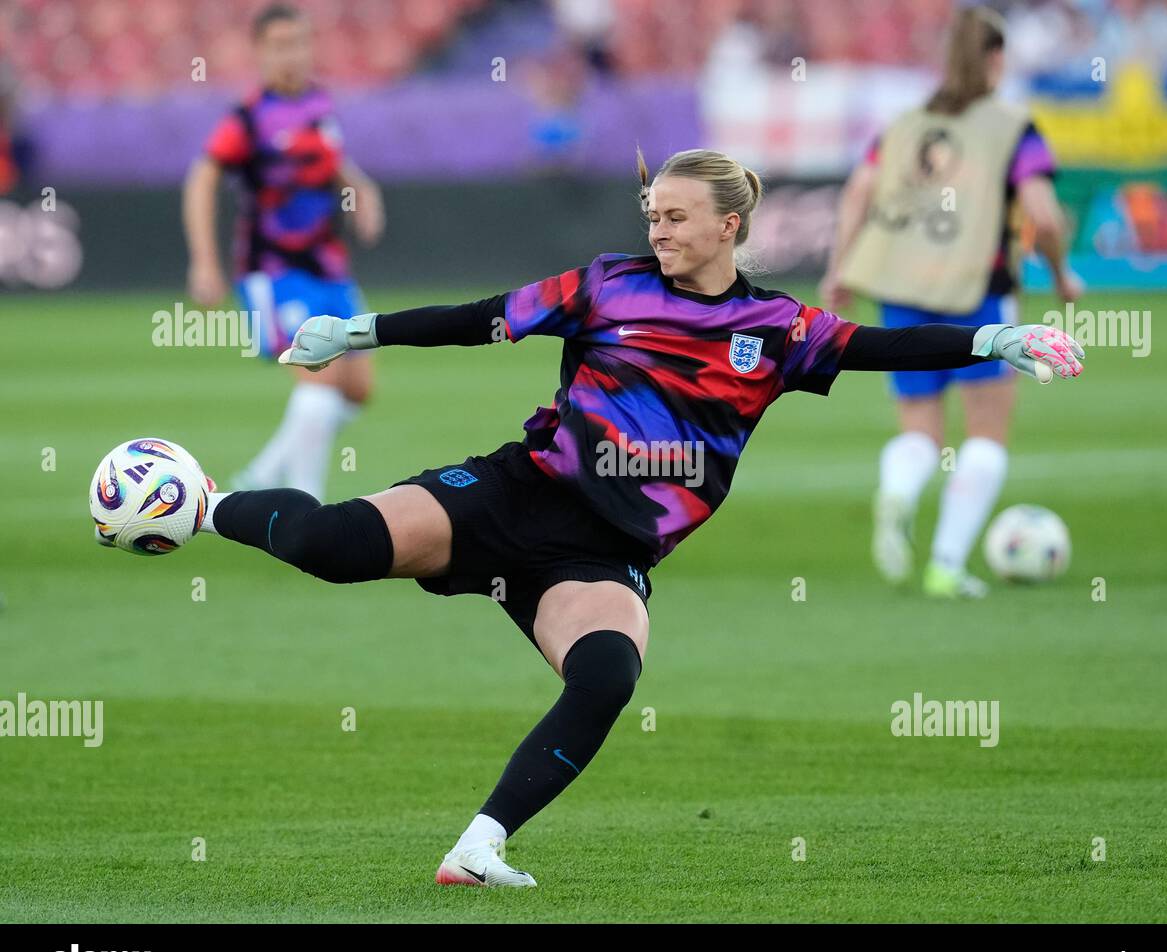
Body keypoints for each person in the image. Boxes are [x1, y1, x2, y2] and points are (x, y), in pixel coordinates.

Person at [180, 148, 1081, 887]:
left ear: (730, 225)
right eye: (652, 214)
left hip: (603, 553)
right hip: (515, 495)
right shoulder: (607, 284)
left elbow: (883, 345)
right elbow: (487, 319)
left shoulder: (777, 327)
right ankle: (198, 499)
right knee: (325, 545)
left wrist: (994, 339)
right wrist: (358, 330)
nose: (658, 229)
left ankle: (479, 845)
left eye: (676, 217)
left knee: (607, 673)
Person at [820, 5, 1080, 599]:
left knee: (919, 429)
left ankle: (901, 490)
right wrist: (1063, 273)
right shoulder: (1013, 126)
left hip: (901, 287)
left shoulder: (905, 122)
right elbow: (1041, 211)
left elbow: (858, 191)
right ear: (996, 59)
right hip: (976, 289)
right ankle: (945, 565)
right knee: (986, 431)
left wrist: (841, 269)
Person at [182, 2, 384, 500]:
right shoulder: (247, 120)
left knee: (358, 389)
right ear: (260, 53)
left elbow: (333, 162)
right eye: (278, 46)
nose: (290, 55)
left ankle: (262, 474)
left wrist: (363, 191)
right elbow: (201, 180)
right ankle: (304, 507)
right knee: (320, 379)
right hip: (272, 271)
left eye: (297, 43)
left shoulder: (319, 104)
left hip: (329, 267)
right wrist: (204, 261)